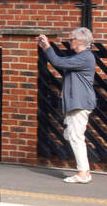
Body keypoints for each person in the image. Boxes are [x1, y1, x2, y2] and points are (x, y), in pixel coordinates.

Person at [37, 27, 97, 184]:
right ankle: (85, 171)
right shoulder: (80, 57)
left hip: (80, 103)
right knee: (72, 135)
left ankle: (83, 173)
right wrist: (45, 47)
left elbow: (58, 62)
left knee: (76, 137)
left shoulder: (85, 57)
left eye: (71, 39)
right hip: (76, 103)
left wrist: (47, 47)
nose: (69, 41)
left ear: (80, 41)